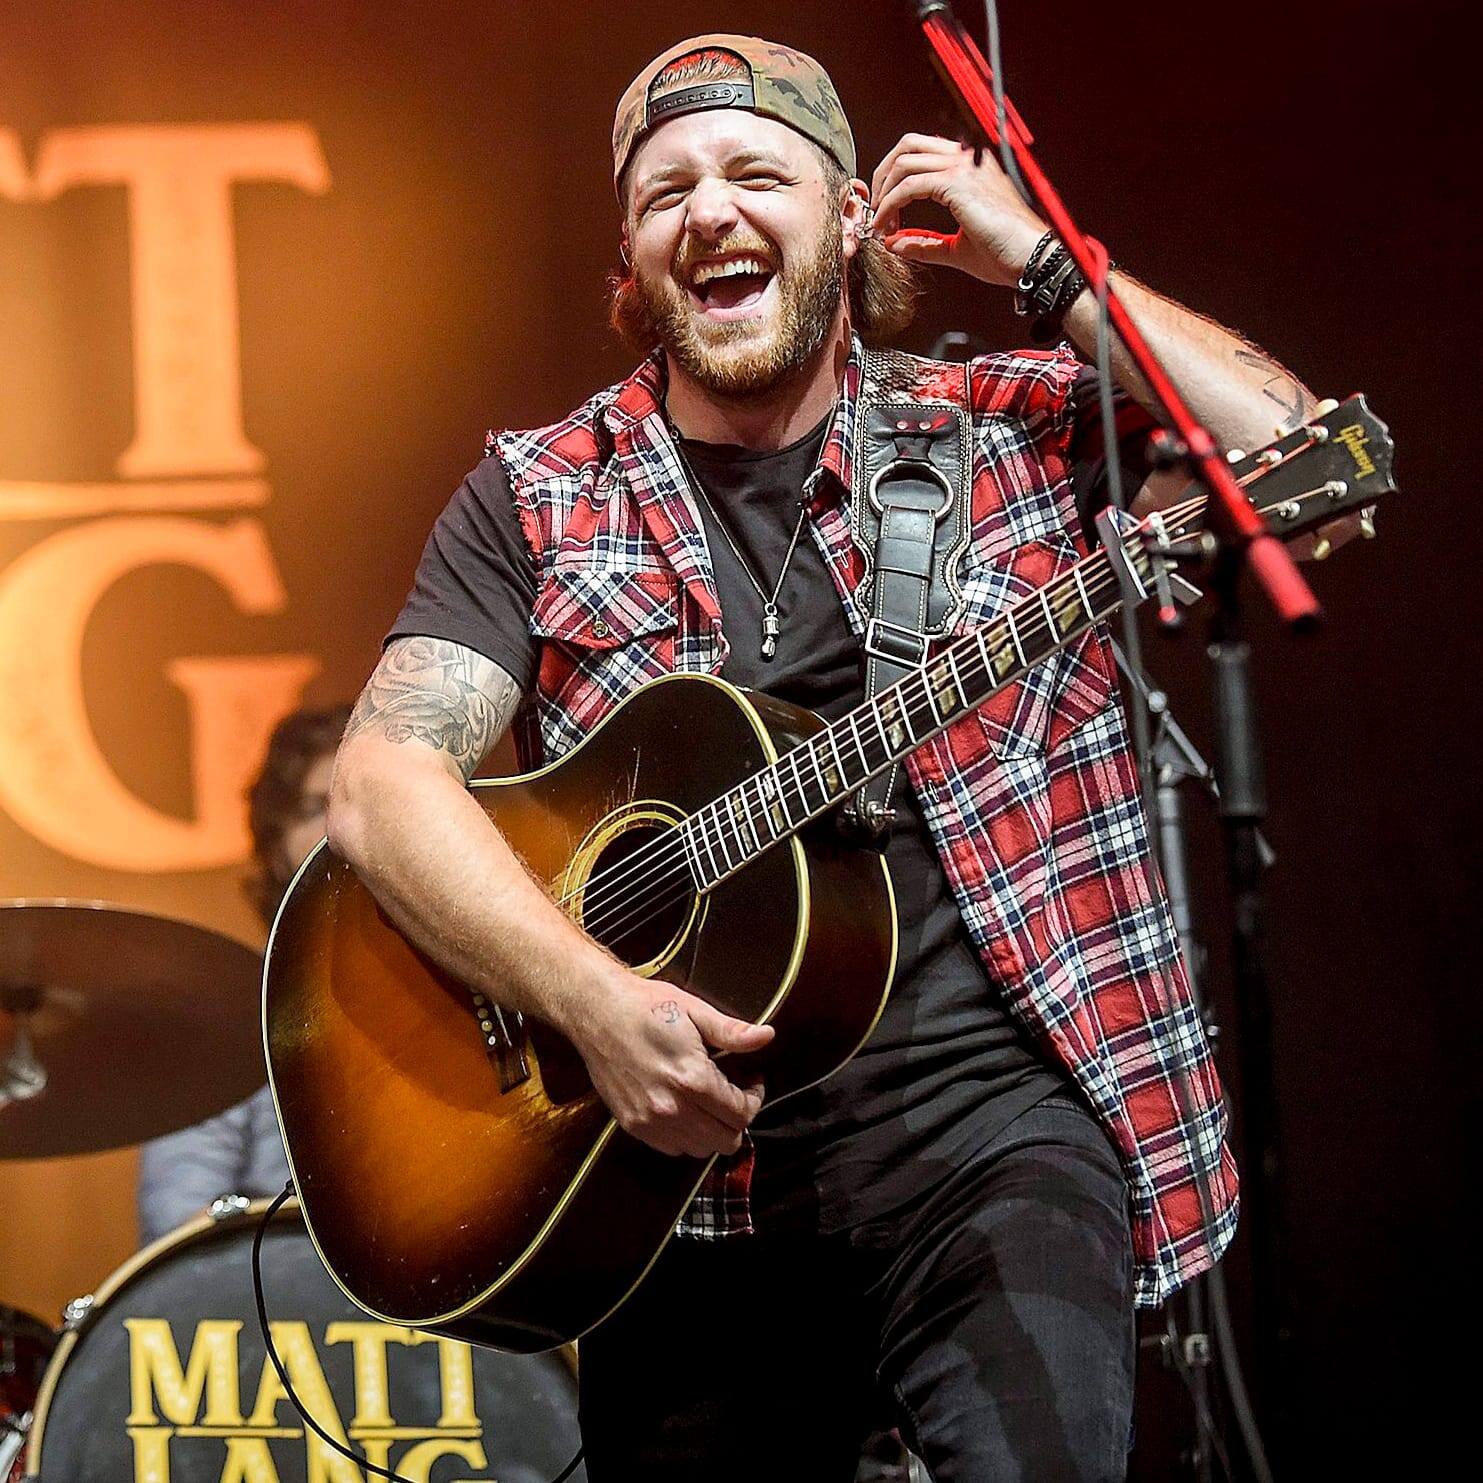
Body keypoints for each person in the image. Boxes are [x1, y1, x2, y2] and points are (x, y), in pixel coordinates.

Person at [327, 36, 1346, 1482]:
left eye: (757, 172)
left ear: (853, 217)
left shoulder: (1011, 425)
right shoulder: (538, 494)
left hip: (998, 1147)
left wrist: (1044, 265)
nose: (711, 210)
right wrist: (588, 1000)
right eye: (666, 188)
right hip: (676, 1196)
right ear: (629, 248)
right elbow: (379, 785)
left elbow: (1297, 457)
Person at [137, 703, 350, 1245]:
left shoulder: (470, 992)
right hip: (275, 1312)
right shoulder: (227, 1017)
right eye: (315, 807)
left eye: (358, 801)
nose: (341, 826)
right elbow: (178, 1233)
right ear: (275, 842)